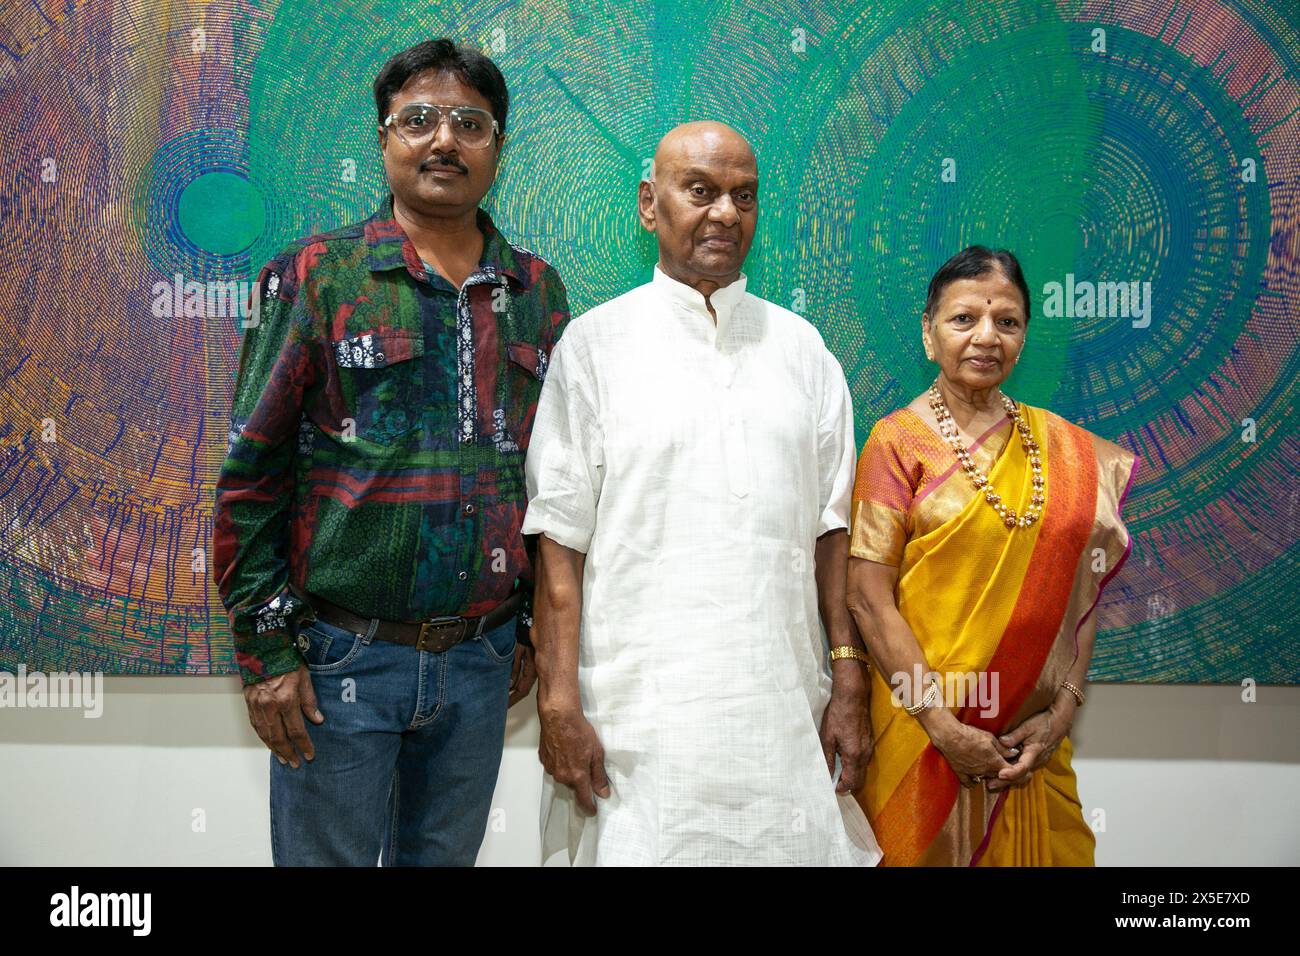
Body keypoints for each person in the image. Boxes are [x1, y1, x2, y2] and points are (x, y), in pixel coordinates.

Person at [212, 38, 570, 865]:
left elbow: (551, 477)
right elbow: (250, 475)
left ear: (498, 148)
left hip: (481, 664)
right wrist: (266, 653)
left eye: (469, 124)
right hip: (341, 660)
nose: (443, 140)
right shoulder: (316, 276)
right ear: (384, 140)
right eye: (418, 120)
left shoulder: (536, 291)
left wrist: (523, 632)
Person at [521, 120, 882, 865]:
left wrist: (849, 678)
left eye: (743, 196)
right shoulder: (594, 347)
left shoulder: (804, 351)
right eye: (701, 191)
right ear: (650, 204)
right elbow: (558, 544)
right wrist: (558, 703)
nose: (724, 213)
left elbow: (831, 534)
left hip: (781, 708)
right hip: (637, 718)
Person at [845, 246, 1139, 866]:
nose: (986, 337)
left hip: (1028, 748)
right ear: (929, 333)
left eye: (1006, 322)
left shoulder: (1067, 450)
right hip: (921, 733)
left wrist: (1064, 709)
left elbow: (1080, 595)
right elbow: (868, 601)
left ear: (1025, 334)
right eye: (963, 320)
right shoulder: (895, 445)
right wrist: (944, 729)